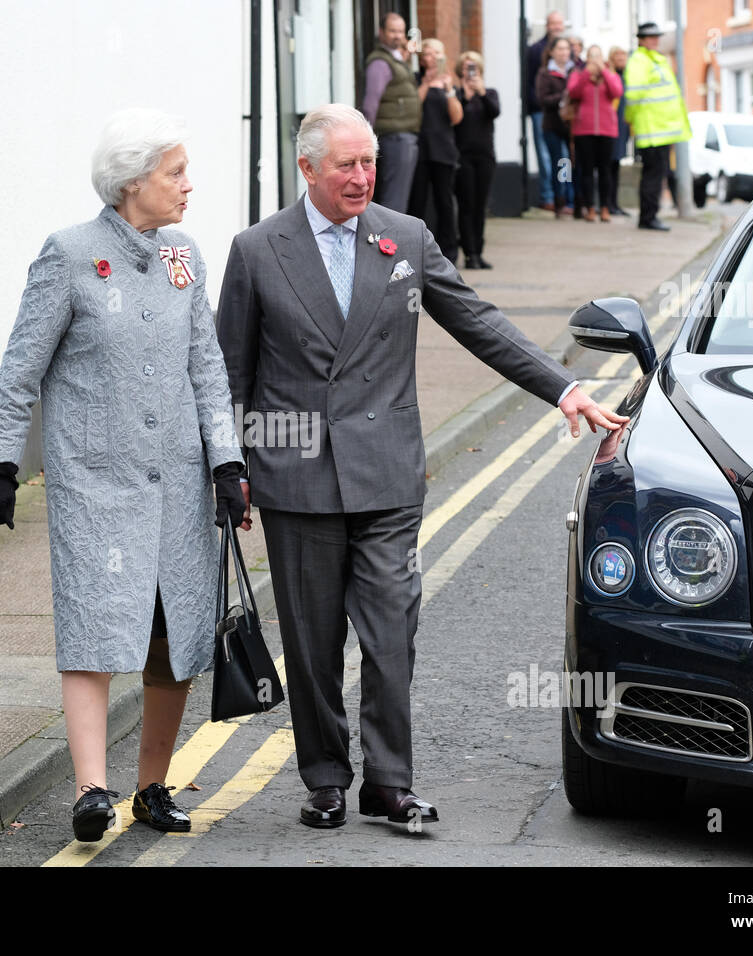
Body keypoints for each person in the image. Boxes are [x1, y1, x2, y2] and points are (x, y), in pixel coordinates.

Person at [214, 103, 627, 831]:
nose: (363, 176)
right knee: (311, 645)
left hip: (386, 473)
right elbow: (231, 371)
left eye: (369, 161)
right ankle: (326, 778)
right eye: (346, 164)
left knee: (390, 632)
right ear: (307, 169)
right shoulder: (257, 249)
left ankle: (389, 781)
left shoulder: (404, 238)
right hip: (297, 475)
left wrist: (566, 389)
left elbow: (479, 321)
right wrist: (227, 466)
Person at [0, 109, 246, 843]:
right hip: (95, 483)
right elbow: (20, 366)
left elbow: (206, 366)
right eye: (175, 172)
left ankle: (151, 788)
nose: (189, 185)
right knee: (94, 630)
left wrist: (227, 460)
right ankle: (92, 790)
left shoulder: (183, 254)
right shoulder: (68, 255)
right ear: (132, 183)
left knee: (173, 637)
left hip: (180, 483)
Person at [623, 21, 689, 231]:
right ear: (641, 40)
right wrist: (632, 119)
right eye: (651, 37)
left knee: (656, 175)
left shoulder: (656, 59)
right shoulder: (640, 61)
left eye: (656, 37)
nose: (655, 40)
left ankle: (650, 216)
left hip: (662, 129)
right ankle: (648, 217)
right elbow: (633, 96)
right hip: (651, 130)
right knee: (653, 176)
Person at [408, 38, 463, 263]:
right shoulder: (415, 80)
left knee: (445, 201)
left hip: (443, 148)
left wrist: (448, 89)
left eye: (433, 54)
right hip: (420, 147)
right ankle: (414, 249)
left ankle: (449, 252)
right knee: (417, 200)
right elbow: (412, 109)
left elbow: (456, 118)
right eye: (426, 54)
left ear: (442, 57)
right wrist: (425, 84)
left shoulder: (450, 84)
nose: (428, 58)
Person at [362, 12, 420, 213]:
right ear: (381, 32)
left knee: (398, 198)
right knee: (394, 200)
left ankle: (391, 241)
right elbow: (371, 102)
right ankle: (388, 243)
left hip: (403, 137)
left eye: (401, 31)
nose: (397, 35)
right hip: (394, 138)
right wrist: (366, 141)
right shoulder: (380, 63)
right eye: (392, 31)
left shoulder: (395, 59)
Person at [453, 50, 500, 269]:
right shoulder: (456, 95)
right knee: (467, 205)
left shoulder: (489, 93)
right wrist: (466, 95)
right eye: (466, 68)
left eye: (473, 68)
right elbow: (455, 119)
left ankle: (479, 251)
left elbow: (494, 111)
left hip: (485, 156)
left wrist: (480, 92)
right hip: (463, 157)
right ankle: (470, 253)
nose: (470, 72)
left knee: (481, 206)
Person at [567, 45, 623, 222]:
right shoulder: (578, 74)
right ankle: (590, 207)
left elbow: (617, 92)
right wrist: (586, 75)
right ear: (587, 58)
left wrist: (604, 72)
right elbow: (573, 92)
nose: (595, 60)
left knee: (605, 170)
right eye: (592, 56)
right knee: (587, 171)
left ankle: (605, 208)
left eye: (598, 56)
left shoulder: (610, 74)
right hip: (584, 129)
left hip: (607, 129)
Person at [525, 10, 565, 211]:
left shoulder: (569, 52)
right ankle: (547, 195)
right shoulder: (535, 50)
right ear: (547, 25)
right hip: (542, 111)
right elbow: (529, 81)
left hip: (565, 116)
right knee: (544, 155)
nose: (557, 27)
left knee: (564, 157)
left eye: (560, 23)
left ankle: (563, 196)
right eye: (553, 23)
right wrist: (538, 103)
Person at [536, 36, 577, 218]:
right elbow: (543, 100)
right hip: (552, 125)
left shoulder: (575, 71)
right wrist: (564, 96)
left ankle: (570, 200)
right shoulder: (545, 73)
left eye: (566, 48)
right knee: (559, 162)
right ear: (552, 52)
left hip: (572, 126)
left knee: (569, 162)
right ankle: (560, 200)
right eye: (559, 49)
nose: (563, 52)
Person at [607, 46, 631, 215]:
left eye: (624, 55)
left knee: (616, 166)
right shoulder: (611, 77)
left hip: (623, 126)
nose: (622, 58)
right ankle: (608, 204)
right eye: (618, 55)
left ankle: (614, 204)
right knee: (609, 165)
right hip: (610, 126)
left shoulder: (627, 77)